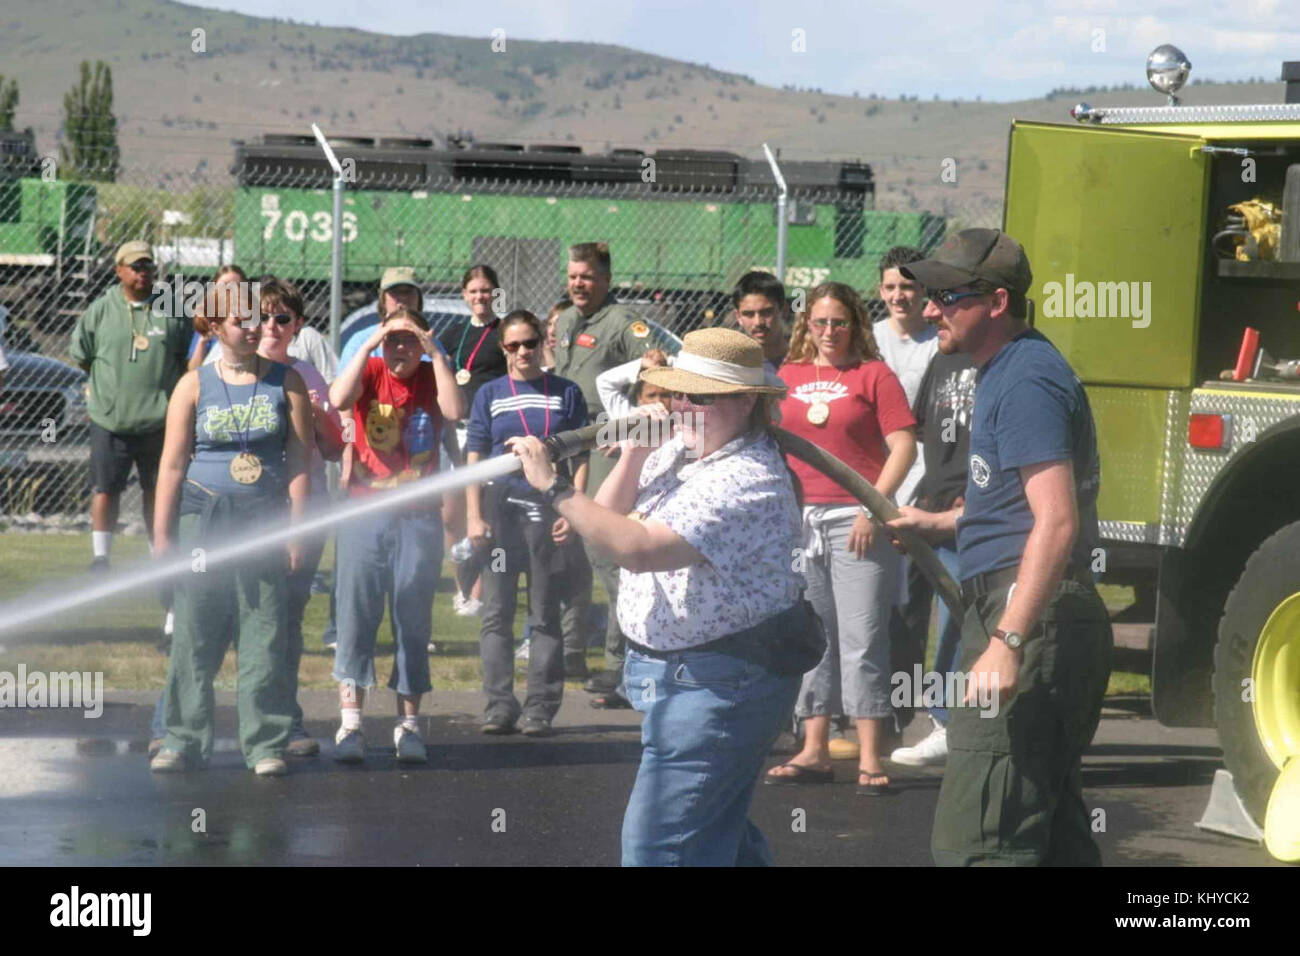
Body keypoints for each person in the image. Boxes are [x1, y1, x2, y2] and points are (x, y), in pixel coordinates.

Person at [508, 327, 820, 865]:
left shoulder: (747, 477)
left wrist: (552, 487)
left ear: (745, 402)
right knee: (713, 830)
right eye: (676, 394)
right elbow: (605, 519)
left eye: (699, 397)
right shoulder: (679, 450)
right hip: (674, 676)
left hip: (720, 682)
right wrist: (632, 454)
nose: (682, 407)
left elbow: (637, 549)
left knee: (658, 848)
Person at [889, 228, 1112, 866]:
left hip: (1031, 620)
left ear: (996, 301)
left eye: (947, 296)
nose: (930, 309)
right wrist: (937, 526)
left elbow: (1056, 522)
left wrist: (1007, 641)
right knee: (1051, 834)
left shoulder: (1024, 382)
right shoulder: (1010, 370)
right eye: (929, 295)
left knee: (980, 843)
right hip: (1038, 616)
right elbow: (1015, 510)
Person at [149, 282, 314, 776]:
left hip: (263, 520)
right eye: (243, 319)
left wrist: (297, 529)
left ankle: (265, 744)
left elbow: (302, 459)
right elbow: (172, 466)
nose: (257, 327)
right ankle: (181, 739)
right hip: (205, 519)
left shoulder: (287, 382)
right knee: (196, 632)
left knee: (263, 632)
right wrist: (162, 539)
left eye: (260, 318)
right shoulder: (193, 384)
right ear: (217, 326)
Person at [765, 282, 916, 795]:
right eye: (820, 322)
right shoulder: (786, 377)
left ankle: (873, 755)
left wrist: (875, 507)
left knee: (863, 638)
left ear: (856, 325)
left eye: (840, 323)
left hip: (857, 520)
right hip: (800, 522)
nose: (829, 332)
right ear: (807, 324)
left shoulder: (874, 375)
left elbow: (904, 447)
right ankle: (814, 748)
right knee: (813, 637)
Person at [328, 305, 465, 764]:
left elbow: (454, 410)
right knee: (356, 611)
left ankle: (408, 726)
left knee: (412, 616)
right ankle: (351, 725)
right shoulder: (369, 369)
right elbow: (338, 398)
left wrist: (434, 353)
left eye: (408, 341)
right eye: (393, 341)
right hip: (365, 510)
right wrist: (369, 342)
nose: (400, 350)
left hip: (418, 515)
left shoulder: (431, 375)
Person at [465, 310, 589, 736]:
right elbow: (474, 457)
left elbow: (580, 455)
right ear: (503, 349)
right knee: (497, 611)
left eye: (530, 343)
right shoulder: (490, 394)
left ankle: (540, 706)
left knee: (543, 614)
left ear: (543, 344)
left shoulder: (566, 392)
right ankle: (499, 705)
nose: (523, 352)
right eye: (513, 345)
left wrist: (572, 510)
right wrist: (473, 514)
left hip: (547, 515)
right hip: (501, 517)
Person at [551, 242, 654, 707]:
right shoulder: (567, 322)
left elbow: (654, 369)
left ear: (606, 280)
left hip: (603, 453)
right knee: (565, 558)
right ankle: (571, 652)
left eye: (587, 277)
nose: (578, 283)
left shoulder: (623, 323)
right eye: (573, 276)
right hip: (566, 447)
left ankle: (619, 666)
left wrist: (628, 423)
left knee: (607, 556)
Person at [257, 278, 346, 757]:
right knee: (225, 616)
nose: (271, 326)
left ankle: (286, 721)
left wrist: (320, 417)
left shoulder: (309, 375)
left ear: (298, 326)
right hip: (250, 515)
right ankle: (178, 724)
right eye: (264, 316)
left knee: (289, 616)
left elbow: (333, 449)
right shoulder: (234, 371)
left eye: (282, 318)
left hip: (306, 512)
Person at [69, 241, 190, 573]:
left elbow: (187, 358)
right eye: (135, 267)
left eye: (147, 267)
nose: (142, 273)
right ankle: (101, 557)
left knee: (158, 490)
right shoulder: (101, 309)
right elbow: (82, 355)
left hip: (160, 421)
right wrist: (107, 391)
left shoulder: (172, 309)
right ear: (118, 270)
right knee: (105, 488)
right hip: (110, 420)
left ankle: (158, 554)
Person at [888, 344, 976, 766]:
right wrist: (923, 499)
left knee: (961, 614)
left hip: (970, 509)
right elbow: (929, 442)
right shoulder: (942, 360)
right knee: (927, 609)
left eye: (939, 299)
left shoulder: (997, 361)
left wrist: (973, 498)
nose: (928, 308)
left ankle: (949, 722)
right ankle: (933, 717)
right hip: (935, 501)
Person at [873, 246, 941, 742]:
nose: (900, 296)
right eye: (892, 287)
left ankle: (898, 713)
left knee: (909, 610)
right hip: (863, 490)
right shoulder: (868, 340)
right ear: (880, 291)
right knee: (859, 604)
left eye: (909, 287)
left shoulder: (939, 344)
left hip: (920, 493)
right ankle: (851, 709)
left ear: (923, 292)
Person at [439, 265, 509, 619]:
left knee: (484, 512)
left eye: (487, 291)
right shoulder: (455, 333)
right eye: (474, 291)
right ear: (464, 295)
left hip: (490, 434)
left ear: (496, 293)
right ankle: (461, 588)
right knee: (452, 516)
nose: (480, 297)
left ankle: (483, 589)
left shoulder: (504, 334)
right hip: (458, 432)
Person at [729, 270, 790, 372]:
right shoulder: (731, 368)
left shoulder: (807, 362)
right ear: (738, 316)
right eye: (749, 314)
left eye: (766, 312)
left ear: (784, 311)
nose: (758, 322)